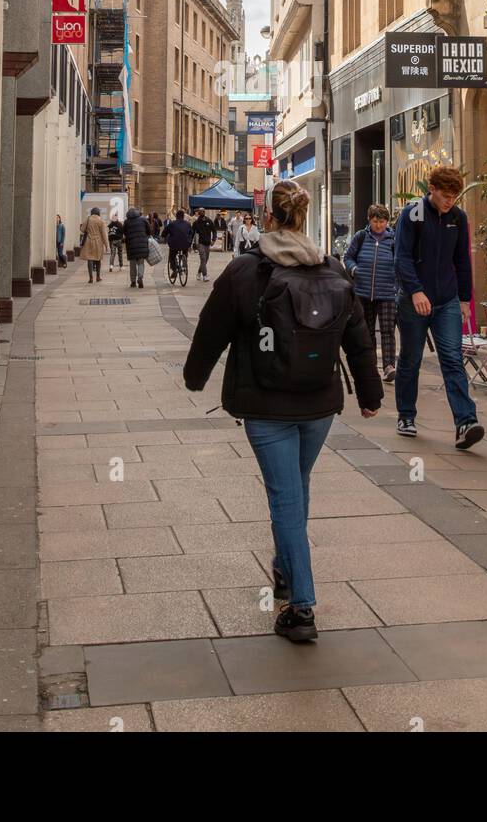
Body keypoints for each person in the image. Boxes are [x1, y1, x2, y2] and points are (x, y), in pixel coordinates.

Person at [183, 180, 382, 643]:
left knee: (286, 498)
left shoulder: (245, 271)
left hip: (265, 403)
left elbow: (210, 330)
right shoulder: (332, 269)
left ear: (268, 217)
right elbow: (358, 338)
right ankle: (285, 569)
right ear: (303, 217)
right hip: (318, 404)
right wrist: (370, 396)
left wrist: (195, 377)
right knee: (296, 488)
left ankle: (302, 606)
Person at [394, 165, 484, 449]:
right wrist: (416, 291)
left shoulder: (458, 217)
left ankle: (466, 421)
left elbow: (462, 261)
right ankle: (406, 415)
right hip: (413, 301)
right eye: (445, 195)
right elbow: (402, 258)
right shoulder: (412, 213)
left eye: (454, 196)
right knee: (411, 359)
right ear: (431, 189)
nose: (450, 201)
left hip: (446, 301)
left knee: (452, 359)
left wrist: (465, 299)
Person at [344, 203, 397, 383]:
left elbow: (399, 263)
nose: (379, 225)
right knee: (367, 331)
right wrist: (354, 269)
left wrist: (396, 285)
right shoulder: (360, 237)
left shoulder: (393, 240)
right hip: (363, 292)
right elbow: (348, 257)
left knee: (388, 330)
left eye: (382, 221)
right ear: (370, 220)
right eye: (376, 221)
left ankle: (389, 366)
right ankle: (371, 365)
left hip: (387, 293)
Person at [80, 206, 109, 284]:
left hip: (88, 241)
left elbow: (82, 230)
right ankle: (98, 277)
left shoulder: (88, 219)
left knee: (90, 259)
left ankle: (91, 278)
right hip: (98, 241)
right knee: (98, 258)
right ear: (98, 213)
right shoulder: (101, 221)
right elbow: (104, 234)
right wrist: (107, 245)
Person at [124, 206, 151, 289]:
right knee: (141, 262)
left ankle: (133, 281)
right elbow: (149, 230)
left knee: (132, 264)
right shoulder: (143, 219)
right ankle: (140, 277)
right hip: (142, 244)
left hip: (131, 245)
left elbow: (124, 232)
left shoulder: (126, 221)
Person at [162, 209, 193, 278]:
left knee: (172, 257)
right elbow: (191, 233)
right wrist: (190, 243)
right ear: (183, 216)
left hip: (174, 244)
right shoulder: (188, 224)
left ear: (176, 216)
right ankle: (184, 261)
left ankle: (175, 270)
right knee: (185, 252)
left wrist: (164, 236)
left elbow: (164, 233)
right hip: (185, 244)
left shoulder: (172, 224)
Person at [191, 208, 216, 282]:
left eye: (203, 211)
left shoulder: (209, 221)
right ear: (198, 213)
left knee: (205, 260)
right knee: (203, 259)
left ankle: (199, 272)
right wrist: (190, 244)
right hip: (200, 243)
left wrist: (214, 239)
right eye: (201, 212)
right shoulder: (196, 223)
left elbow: (214, 230)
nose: (202, 212)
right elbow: (192, 234)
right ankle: (205, 275)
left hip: (207, 243)